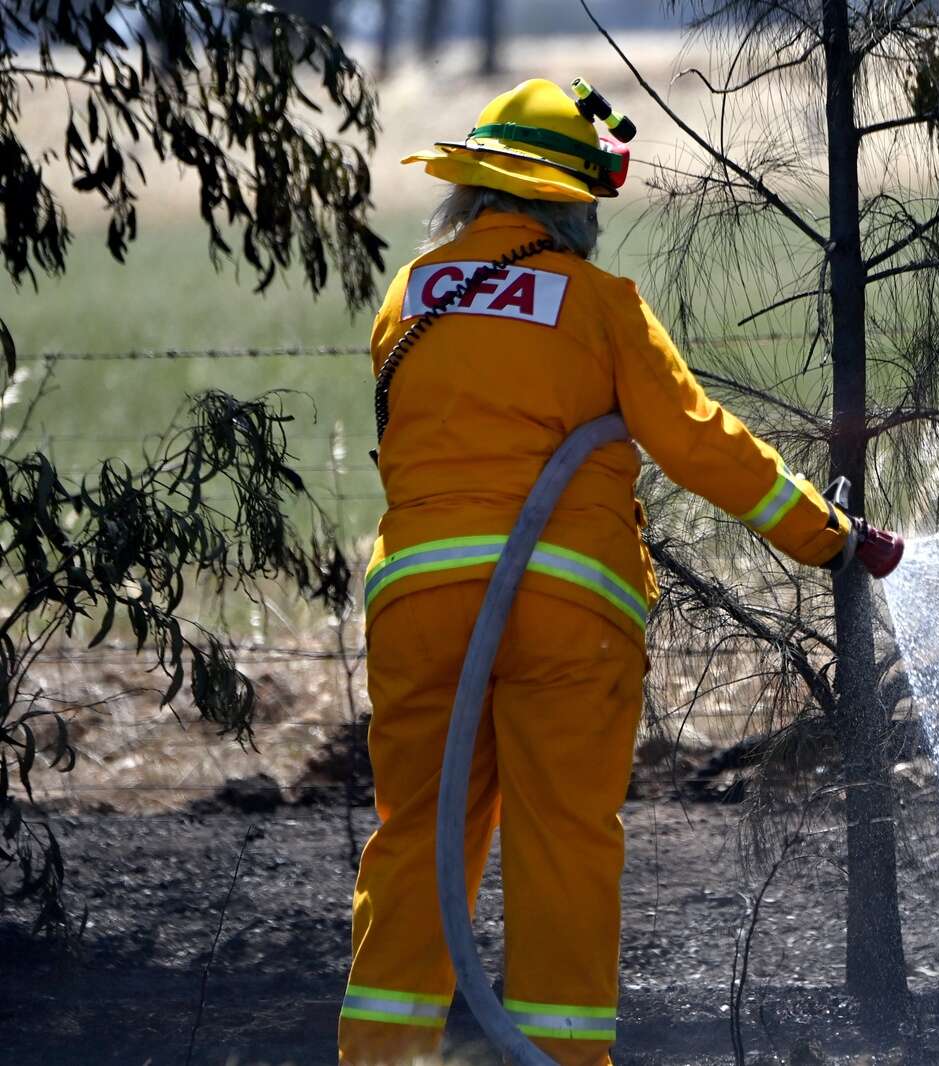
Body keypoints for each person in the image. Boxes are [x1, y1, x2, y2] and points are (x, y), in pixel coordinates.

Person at [338, 78, 863, 1065]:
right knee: (562, 841)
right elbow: (698, 443)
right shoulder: (598, 302)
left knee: (417, 834)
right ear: (568, 202)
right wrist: (826, 534)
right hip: (563, 608)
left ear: (476, 191)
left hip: (414, 602)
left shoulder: (407, 296)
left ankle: (378, 1058)